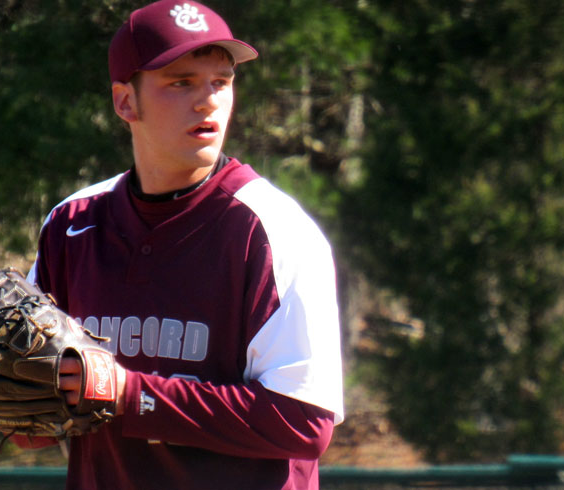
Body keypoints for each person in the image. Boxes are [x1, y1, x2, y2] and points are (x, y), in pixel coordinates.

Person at [20, 1, 344, 488]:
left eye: (221, 80)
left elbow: (304, 421)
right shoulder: (73, 224)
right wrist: (18, 405)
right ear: (126, 102)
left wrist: (133, 396)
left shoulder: (272, 230)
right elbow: (33, 420)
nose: (208, 99)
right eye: (181, 82)